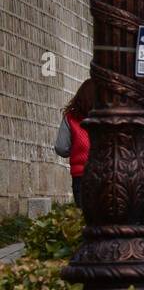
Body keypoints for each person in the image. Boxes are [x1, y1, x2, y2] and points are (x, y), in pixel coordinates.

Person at [61, 79, 93, 208]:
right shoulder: (108, 117)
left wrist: (75, 150)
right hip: (106, 175)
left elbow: (61, 147)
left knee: (83, 217)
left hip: (80, 176)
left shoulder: (70, 118)